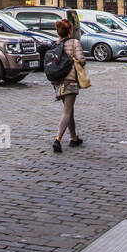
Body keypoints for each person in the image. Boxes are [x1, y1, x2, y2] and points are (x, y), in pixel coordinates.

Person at [51, 19, 85, 153]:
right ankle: (58, 139)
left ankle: (74, 137)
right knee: (67, 111)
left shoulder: (56, 44)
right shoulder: (75, 43)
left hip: (58, 81)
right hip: (70, 81)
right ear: (70, 30)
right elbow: (81, 60)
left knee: (69, 109)